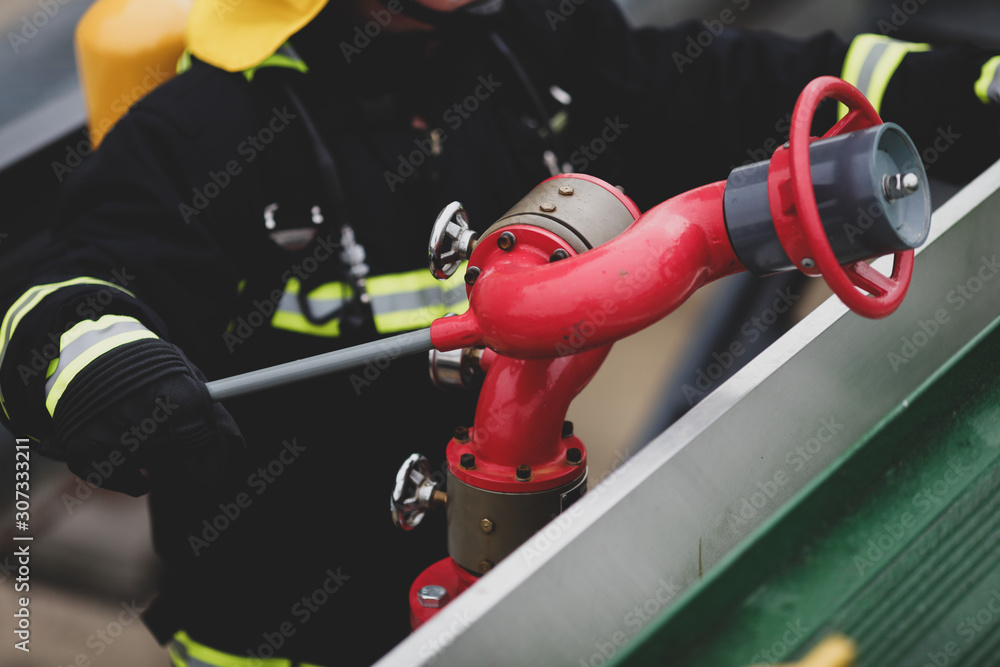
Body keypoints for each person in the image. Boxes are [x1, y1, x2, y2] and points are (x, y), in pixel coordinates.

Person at [1, 0, 998, 664]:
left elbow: (733, 82)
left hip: (501, 600)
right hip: (273, 634)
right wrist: (100, 359)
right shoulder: (208, 129)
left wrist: (959, 94)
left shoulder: (539, 47)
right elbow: (68, 285)